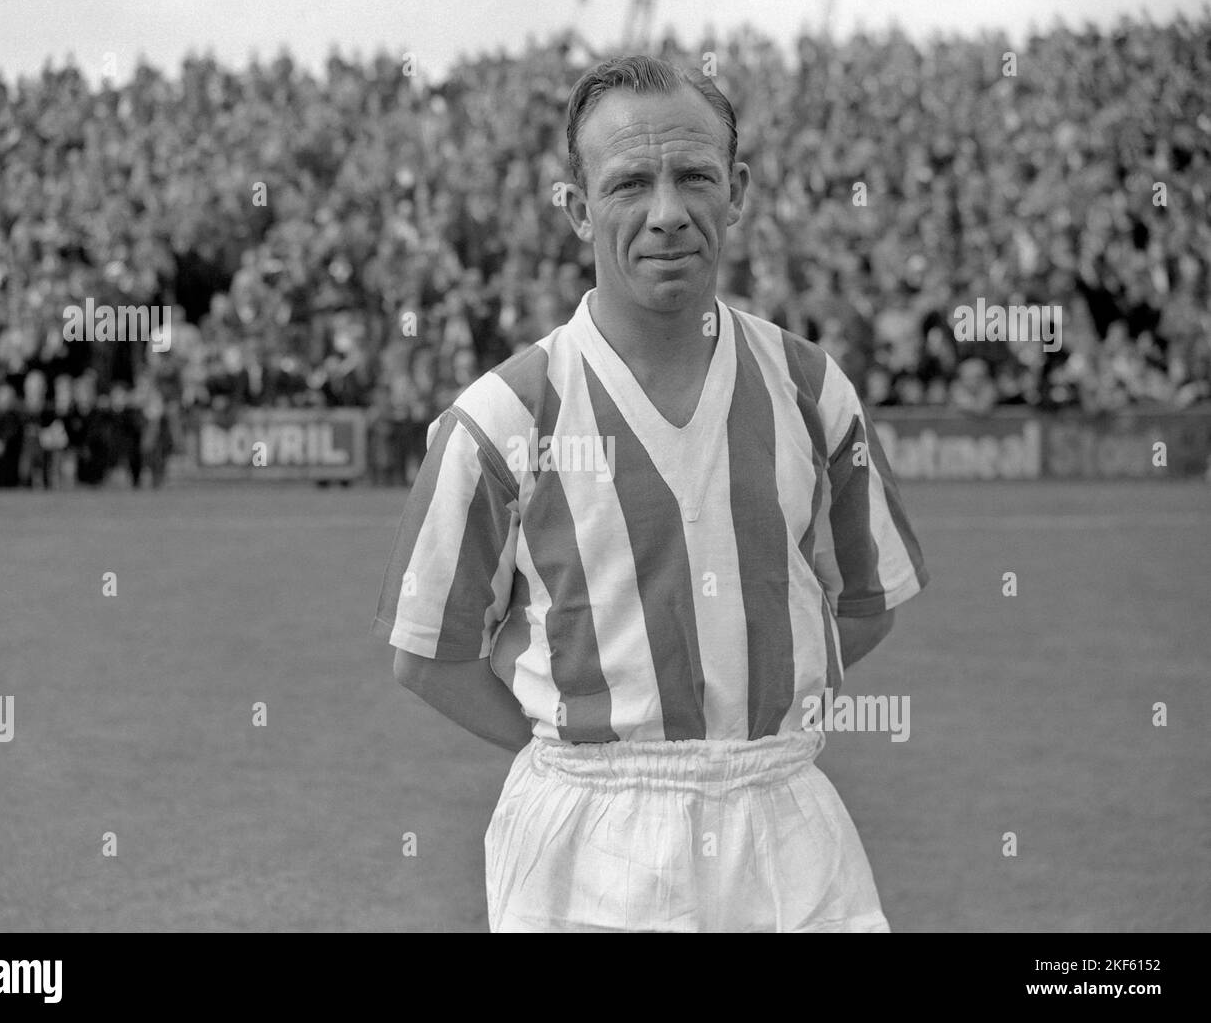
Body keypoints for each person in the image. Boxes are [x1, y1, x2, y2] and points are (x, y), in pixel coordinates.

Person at [374, 56, 929, 933]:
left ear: (737, 190)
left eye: (695, 177)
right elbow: (427, 653)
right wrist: (582, 747)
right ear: (576, 207)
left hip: (783, 814)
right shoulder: (499, 417)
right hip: (587, 836)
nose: (666, 213)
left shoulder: (812, 388)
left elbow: (866, 600)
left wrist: (743, 699)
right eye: (629, 181)